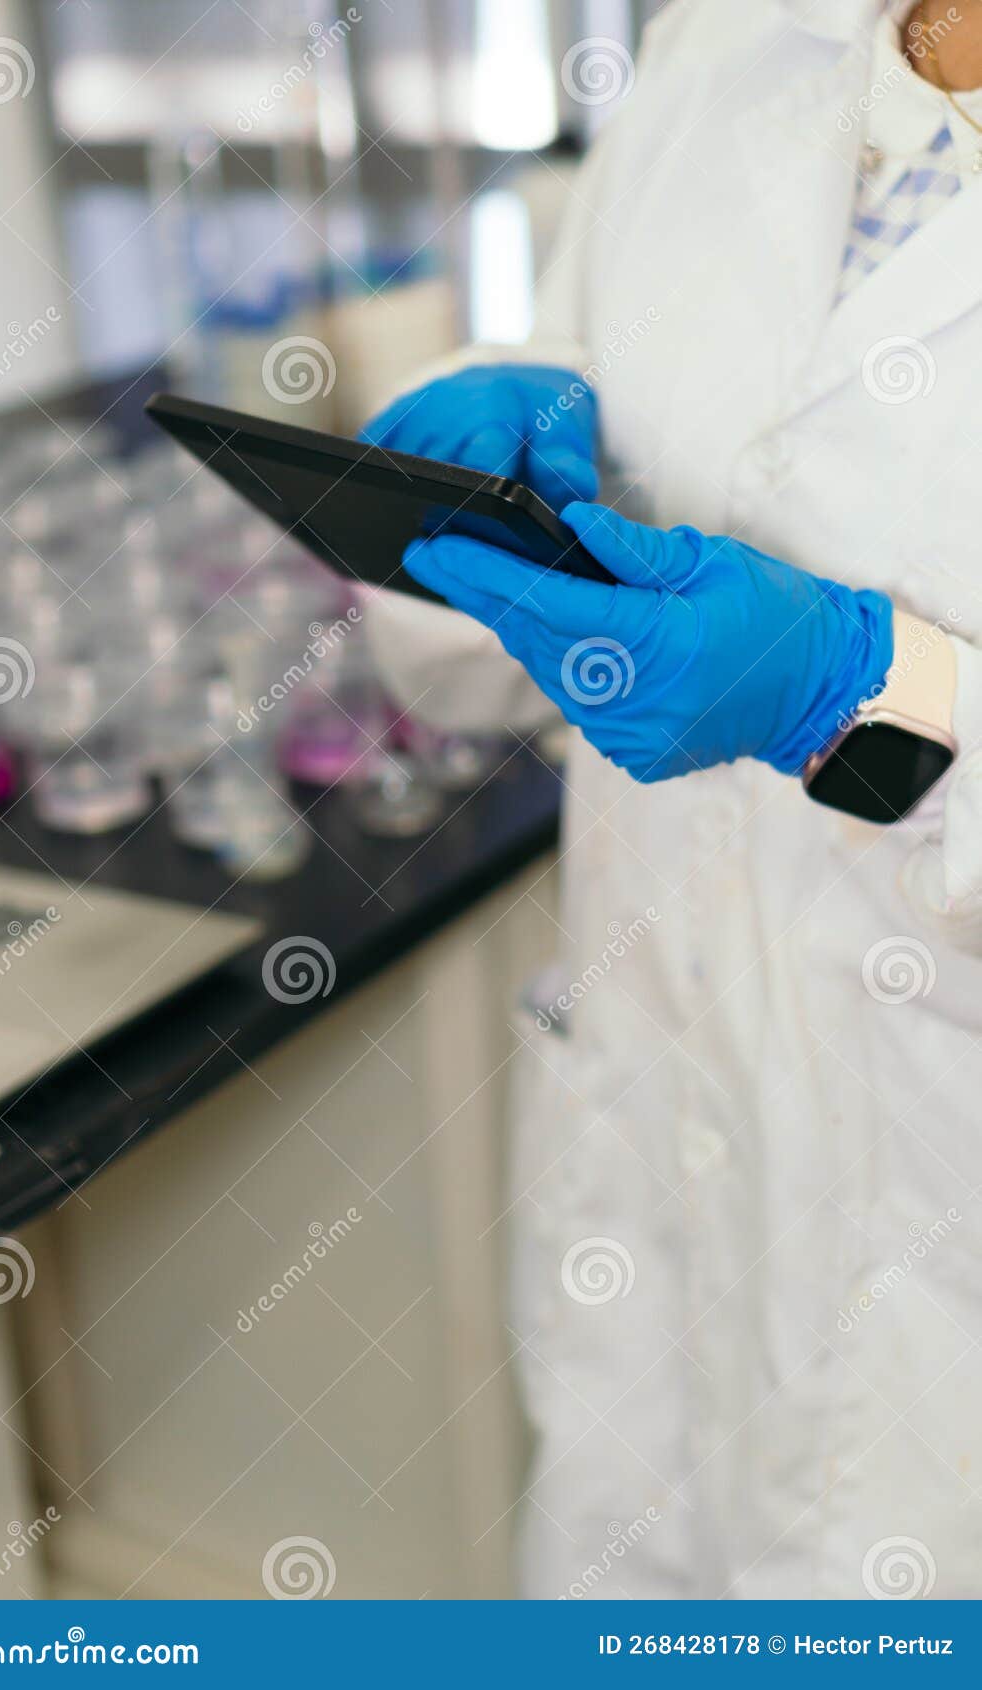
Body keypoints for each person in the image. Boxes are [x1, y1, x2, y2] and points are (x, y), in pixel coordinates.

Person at [359, 0, 982, 1600]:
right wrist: (468, 520)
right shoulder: (732, 37)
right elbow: (494, 663)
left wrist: (878, 698)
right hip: (655, 1236)